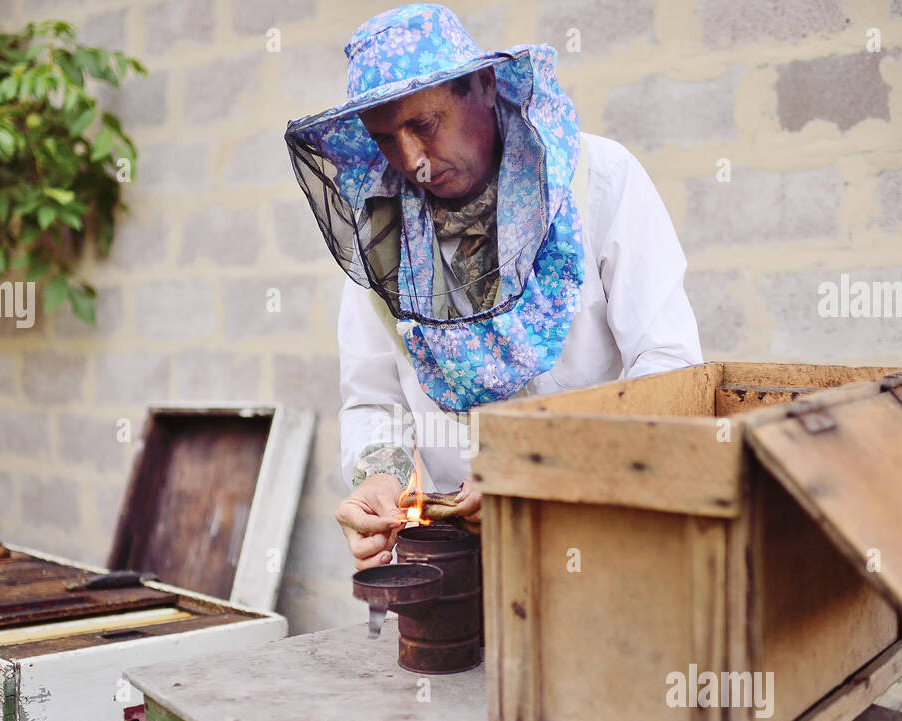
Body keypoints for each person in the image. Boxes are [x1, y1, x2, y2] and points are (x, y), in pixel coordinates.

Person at [284, 4, 702, 571]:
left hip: (601, 537)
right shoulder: (380, 234)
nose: (412, 161)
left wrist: (544, 464)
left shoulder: (598, 179)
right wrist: (380, 477)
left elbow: (668, 366)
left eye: (424, 125)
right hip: (461, 559)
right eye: (386, 139)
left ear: (483, 86)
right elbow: (374, 399)